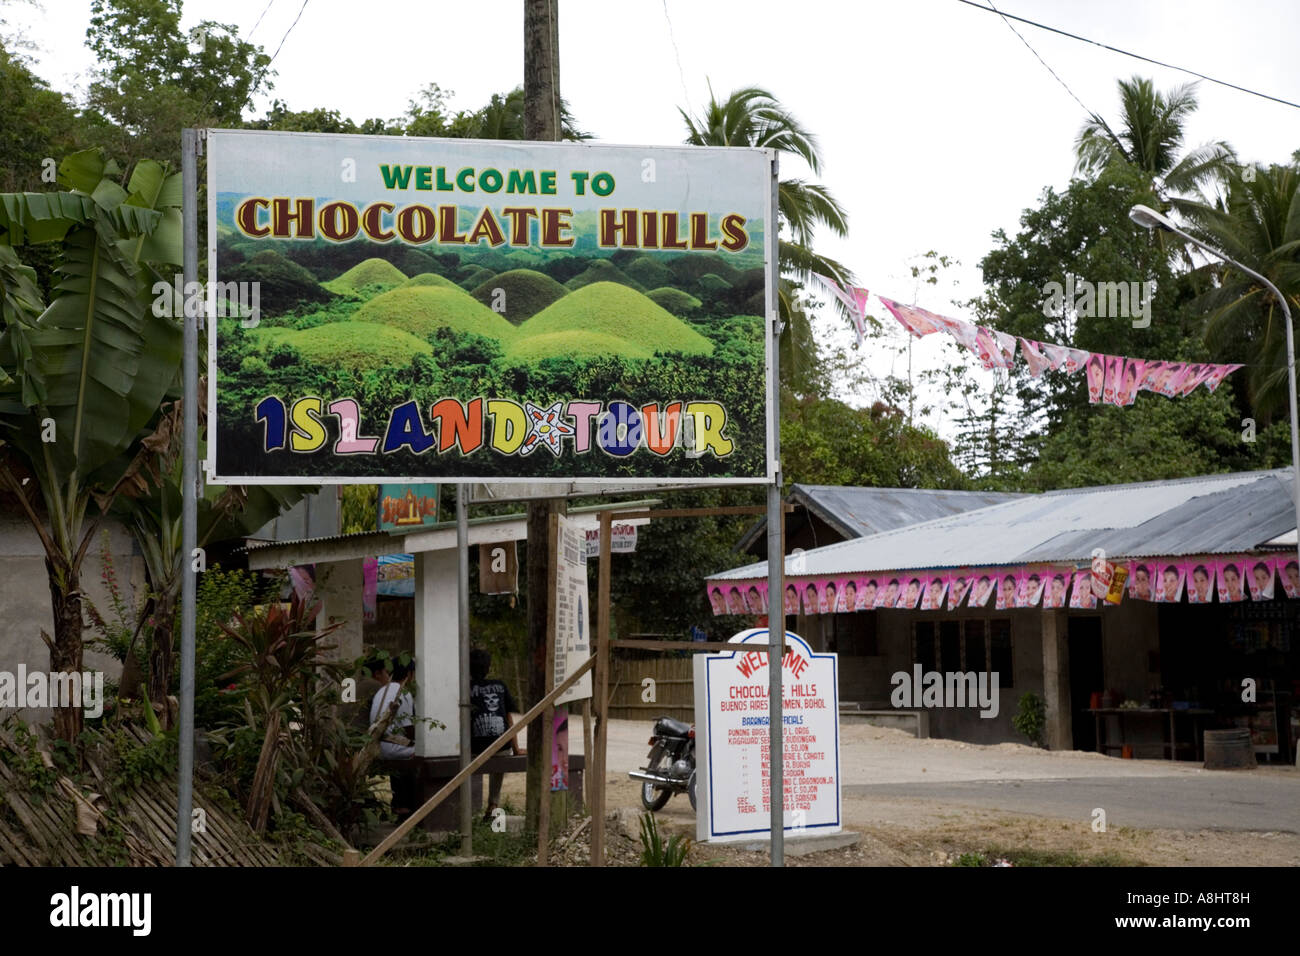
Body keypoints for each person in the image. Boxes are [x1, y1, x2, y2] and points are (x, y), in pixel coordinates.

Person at [470, 648, 521, 823]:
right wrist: (516, 748)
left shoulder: (464, 689)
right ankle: (493, 804)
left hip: (473, 751)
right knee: (500, 756)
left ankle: (468, 809)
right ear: (488, 667)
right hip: (501, 748)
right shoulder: (500, 686)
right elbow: (509, 719)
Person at [368, 654, 417, 819]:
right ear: (410, 674)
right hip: (392, 749)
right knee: (421, 753)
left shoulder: (382, 690)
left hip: (377, 747)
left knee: (405, 747)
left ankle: (399, 803)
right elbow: (409, 730)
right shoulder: (404, 692)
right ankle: (407, 807)